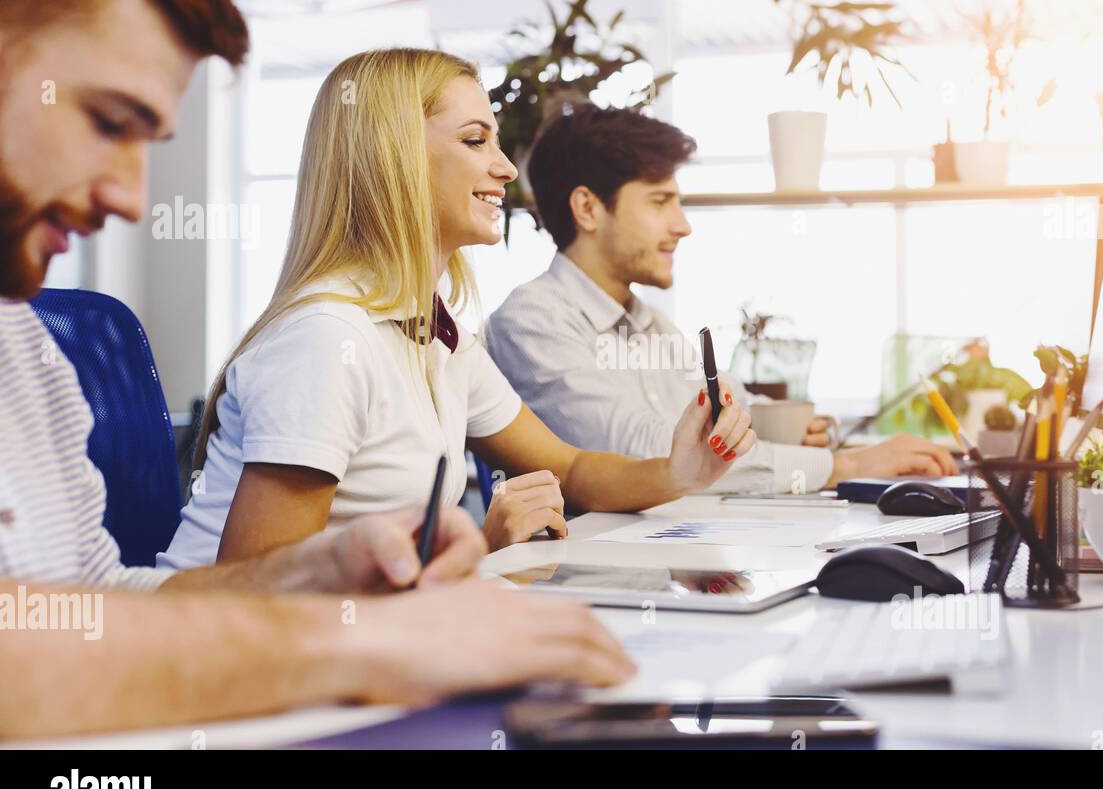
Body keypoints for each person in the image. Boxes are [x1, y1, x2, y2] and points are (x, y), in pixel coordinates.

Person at [0, 0, 631, 739]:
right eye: (106, 121)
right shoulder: (325, 335)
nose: (133, 196)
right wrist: (355, 638)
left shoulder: (22, 346)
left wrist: (312, 575)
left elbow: (87, 605)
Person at [162, 47, 757, 567]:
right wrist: (476, 550)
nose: (504, 167)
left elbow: (570, 469)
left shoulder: (439, 335)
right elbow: (263, 599)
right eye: (476, 141)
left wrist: (682, 472)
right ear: (393, 157)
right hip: (222, 670)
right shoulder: (326, 340)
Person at [484, 105, 958, 495]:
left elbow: (735, 415)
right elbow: (652, 455)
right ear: (588, 208)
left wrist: (803, 434)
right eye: (659, 201)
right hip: (588, 579)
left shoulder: (651, 325)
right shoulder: (530, 322)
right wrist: (846, 465)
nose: (682, 225)